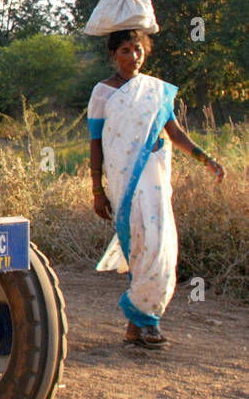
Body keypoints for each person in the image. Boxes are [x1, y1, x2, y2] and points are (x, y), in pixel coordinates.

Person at [89, 29, 224, 348]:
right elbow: (96, 142)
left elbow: (175, 133)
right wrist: (97, 189)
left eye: (137, 49)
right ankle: (144, 323)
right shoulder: (103, 93)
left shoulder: (154, 91)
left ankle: (142, 323)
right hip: (124, 179)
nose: (133, 57)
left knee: (161, 245)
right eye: (125, 50)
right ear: (113, 55)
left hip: (155, 178)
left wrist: (206, 159)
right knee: (141, 242)